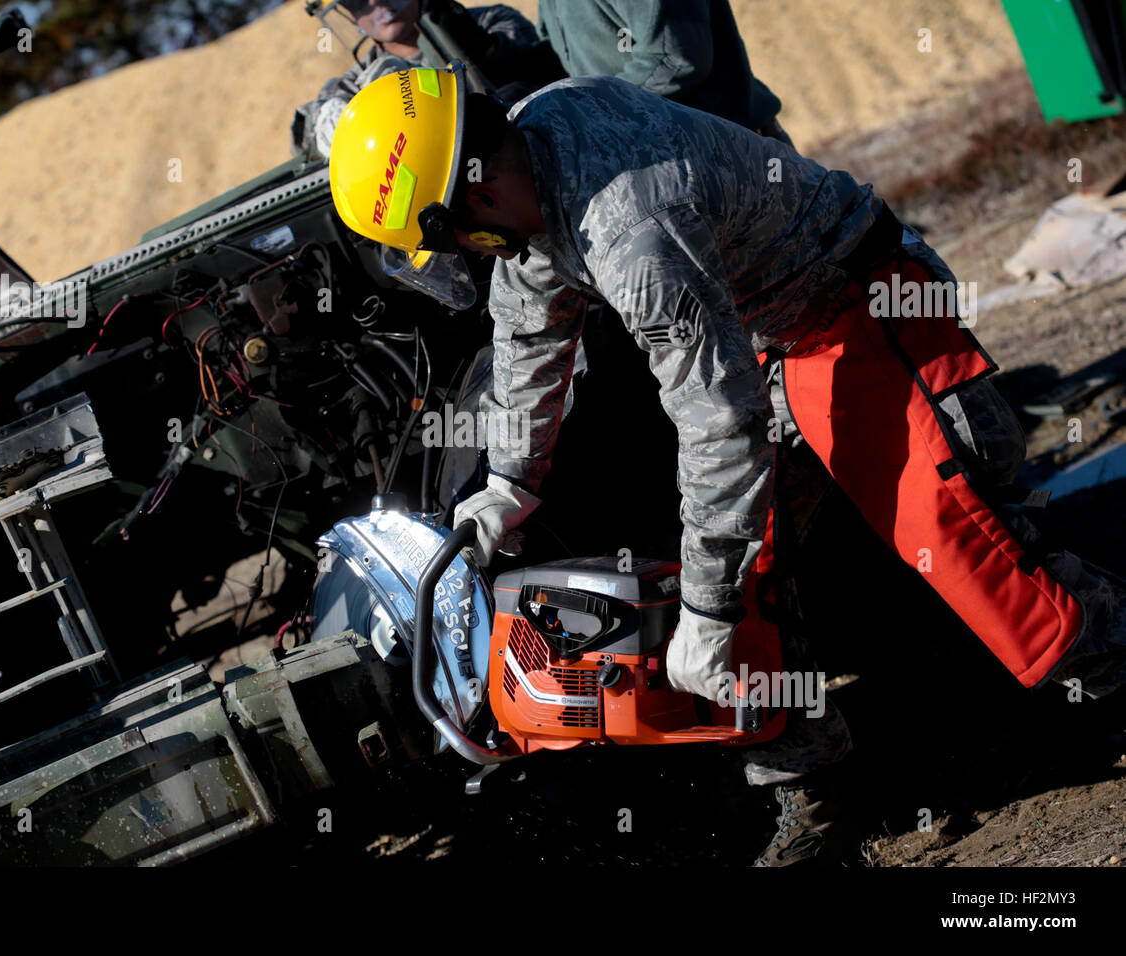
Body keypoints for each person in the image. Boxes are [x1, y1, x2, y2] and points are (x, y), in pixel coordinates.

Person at [324, 65, 1126, 865]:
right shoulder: (530, 146)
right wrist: (511, 481)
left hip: (851, 298)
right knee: (747, 587)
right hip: (762, 336)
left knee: (958, 538)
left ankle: (1113, 670)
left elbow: (720, 424)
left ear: (476, 201)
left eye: (445, 238)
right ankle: (814, 786)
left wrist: (706, 613)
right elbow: (529, 326)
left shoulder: (631, 227)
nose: (458, 253)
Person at [291, 0, 562, 159]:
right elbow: (303, 134)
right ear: (350, 16)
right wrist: (329, 120)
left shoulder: (487, 21)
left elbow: (531, 71)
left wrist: (472, 45)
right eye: (359, 2)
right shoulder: (358, 82)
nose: (379, 4)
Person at [536, 0, 791, 142]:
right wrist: (500, 54)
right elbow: (566, 60)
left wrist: (588, 113)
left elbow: (675, 58)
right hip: (673, 174)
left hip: (737, 163)